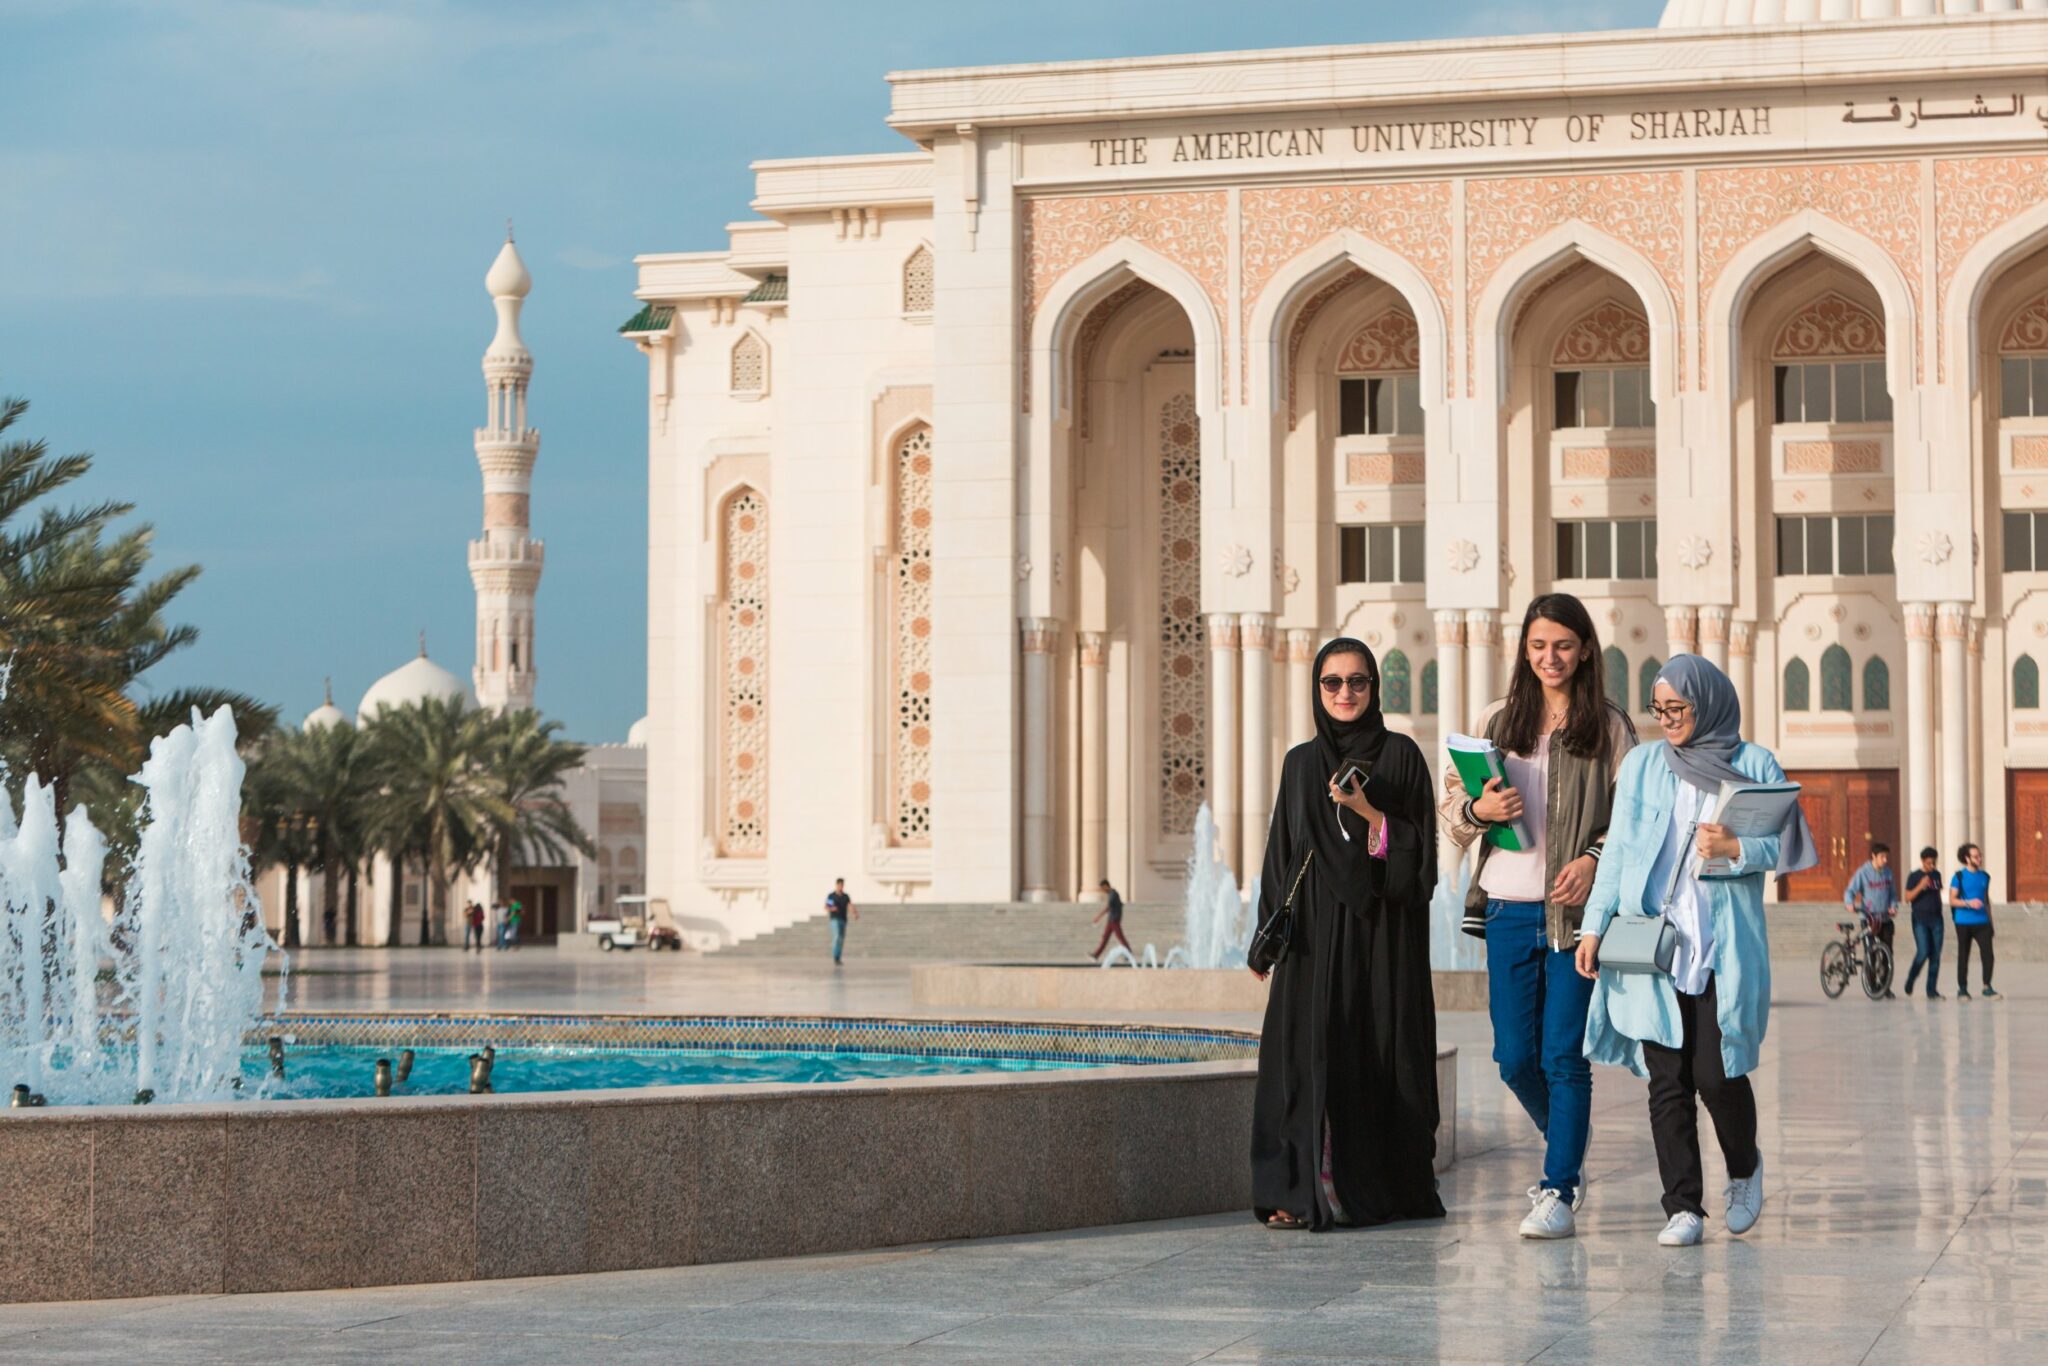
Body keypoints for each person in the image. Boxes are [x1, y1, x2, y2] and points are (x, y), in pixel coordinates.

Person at [1577, 655, 1819, 1247]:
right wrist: (1592, 926)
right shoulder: (1640, 766)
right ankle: (1682, 1206)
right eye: (1659, 710)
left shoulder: (1753, 762)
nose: (1667, 721)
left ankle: (1743, 1168)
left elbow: (1790, 849)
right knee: (1667, 1080)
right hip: (1652, 944)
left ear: (1707, 702)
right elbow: (1617, 854)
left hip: (1719, 946)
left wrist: (1737, 846)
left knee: (1717, 1073)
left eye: (1677, 709)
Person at [1441, 593, 1635, 1241]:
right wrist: (1478, 814)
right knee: (1513, 1055)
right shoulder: (1496, 721)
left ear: (1584, 650)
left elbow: (1634, 823)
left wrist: (1592, 860)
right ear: (1524, 649)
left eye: (1563, 645)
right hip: (1505, 907)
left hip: (1575, 915)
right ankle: (1567, 1138)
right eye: (1538, 645)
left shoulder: (1608, 725)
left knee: (1562, 1054)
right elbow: (1452, 815)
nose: (1550, 657)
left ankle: (1558, 1187)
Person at [1249, 637, 1444, 1231]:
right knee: (1301, 1061)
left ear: (1374, 688)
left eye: (1357, 681)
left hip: (1380, 937)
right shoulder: (1301, 763)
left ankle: (1375, 1188)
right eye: (1331, 683)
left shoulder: (1401, 757)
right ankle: (1297, 1189)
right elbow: (1282, 855)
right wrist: (1266, 935)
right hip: (1313, 937)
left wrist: (1369, 815)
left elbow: (1420, 859)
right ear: (1317, 689)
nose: (1344, 693)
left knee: (1378, 1059)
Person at [1843, 843, 1898, 999]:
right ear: (1873, 856)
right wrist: (1849, 903)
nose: (1885, 860)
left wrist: (1893, 906)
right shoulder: (1863, 872)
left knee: (1888, 953)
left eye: (1886, 857)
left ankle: (1885, 986)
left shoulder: (1888, 874)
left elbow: (1893, 894)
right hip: (1868, 918)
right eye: (1882, 857)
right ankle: (1873, 986)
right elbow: (1851, 890)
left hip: (1885, 919)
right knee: (1871, 953)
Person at [1950, 843, 1998, 1000]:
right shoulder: (1959, 877)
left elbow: (1986, 900)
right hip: (1963, 922)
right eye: (1976, 856)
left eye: (1980, 855)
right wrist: (1969, 903)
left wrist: (1991, 923)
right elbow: (1952, 900)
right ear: (1967, 858)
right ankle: (1962, 989)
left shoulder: (1985, 876)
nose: (1979, 858)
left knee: (1988, 954)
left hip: (1982, 921)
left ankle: (1987, 986)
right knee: (1963, 955)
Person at [1901, 848, 1944, 1000]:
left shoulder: (1937, 874)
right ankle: (1911, 979)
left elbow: (1938, 891)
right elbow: (1907, 898)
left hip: (1937, 919)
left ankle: (1931, 990)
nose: (1931, 866)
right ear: (1922, 861)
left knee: (1936, 955)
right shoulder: (1914, 876)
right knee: (1923, 951)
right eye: (1928, 863)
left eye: (1934, 863)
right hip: (1920, 919)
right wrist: (1920, 886)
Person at [1090, 879, 1132, 960]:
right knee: (1105, 938)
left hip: (1114, 920)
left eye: (1103, 888)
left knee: (1120, 937)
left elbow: (1108, 907)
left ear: (1106, 886)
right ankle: (1096, 955)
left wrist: (1098, 917)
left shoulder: (1113, 894)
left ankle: (1128, 953)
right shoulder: (1111, 894)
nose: (1102, 890)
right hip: (1111, 920)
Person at [825, 879, 855, 965]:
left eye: (842, 885)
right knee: (837, 936)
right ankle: (835, 957)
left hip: (843, 919)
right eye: (839, 885)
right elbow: (827, 907)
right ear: (837, 885)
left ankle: (838, 957)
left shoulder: (845, 896)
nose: (841, 887)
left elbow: (849, 905)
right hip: (834, 919)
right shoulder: (832, 896)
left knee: (841, 939)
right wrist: (832, 908)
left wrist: (854, 913)